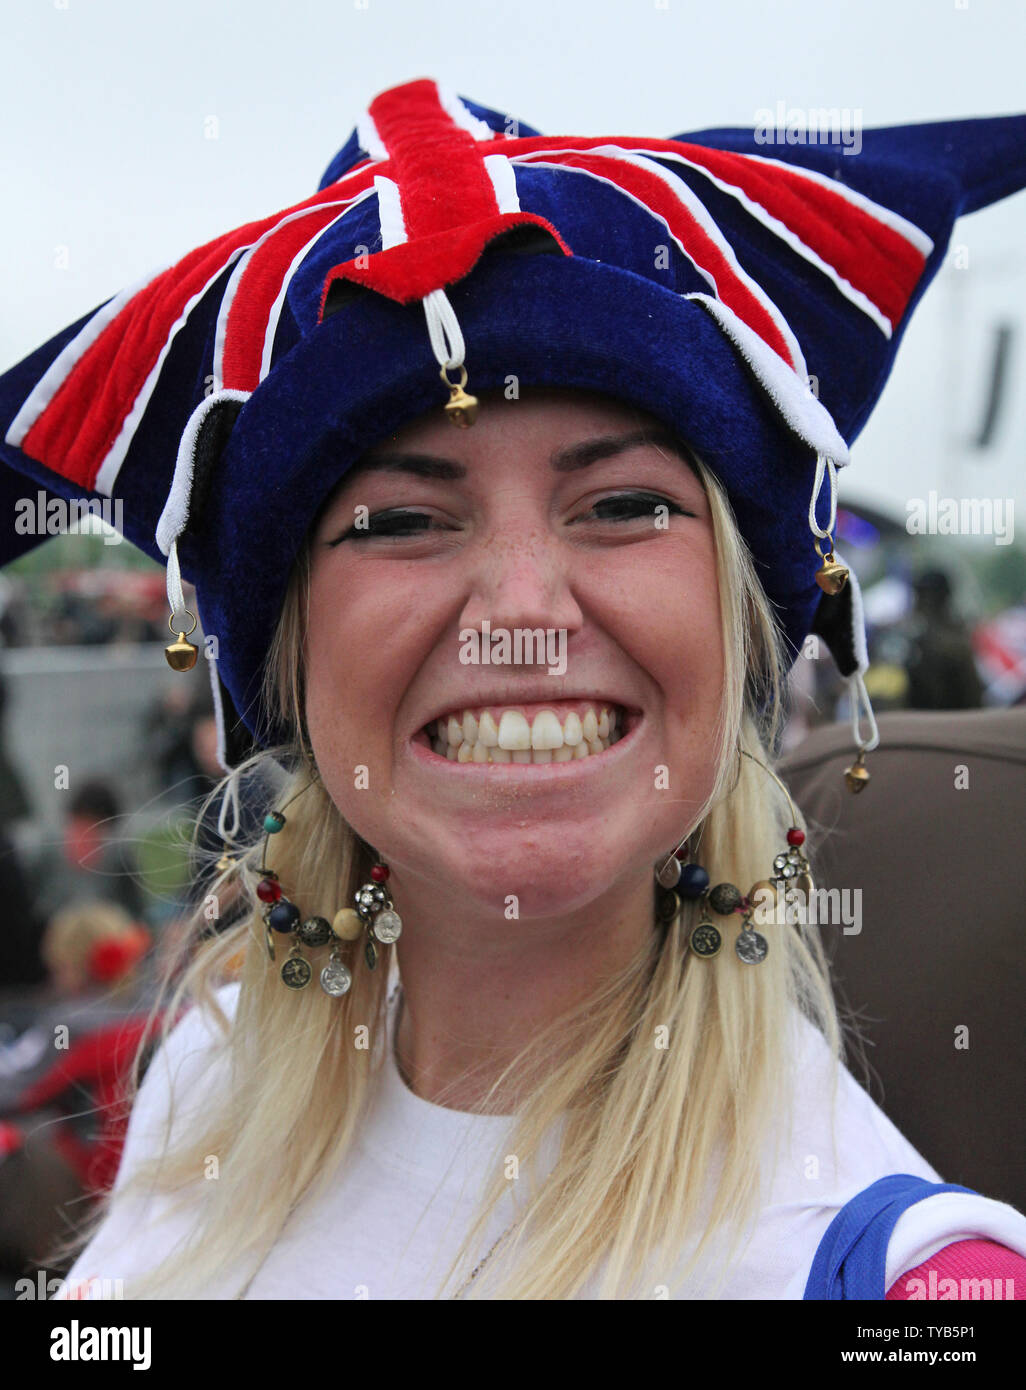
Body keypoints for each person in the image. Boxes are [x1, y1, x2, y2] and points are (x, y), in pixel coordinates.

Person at [1, 79, 1025, 1300]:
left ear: (742, 623)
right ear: (282, 660)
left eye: (624, 505)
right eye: (403, 519)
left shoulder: (900, 1282)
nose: (523, 611)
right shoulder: (205, 1082)